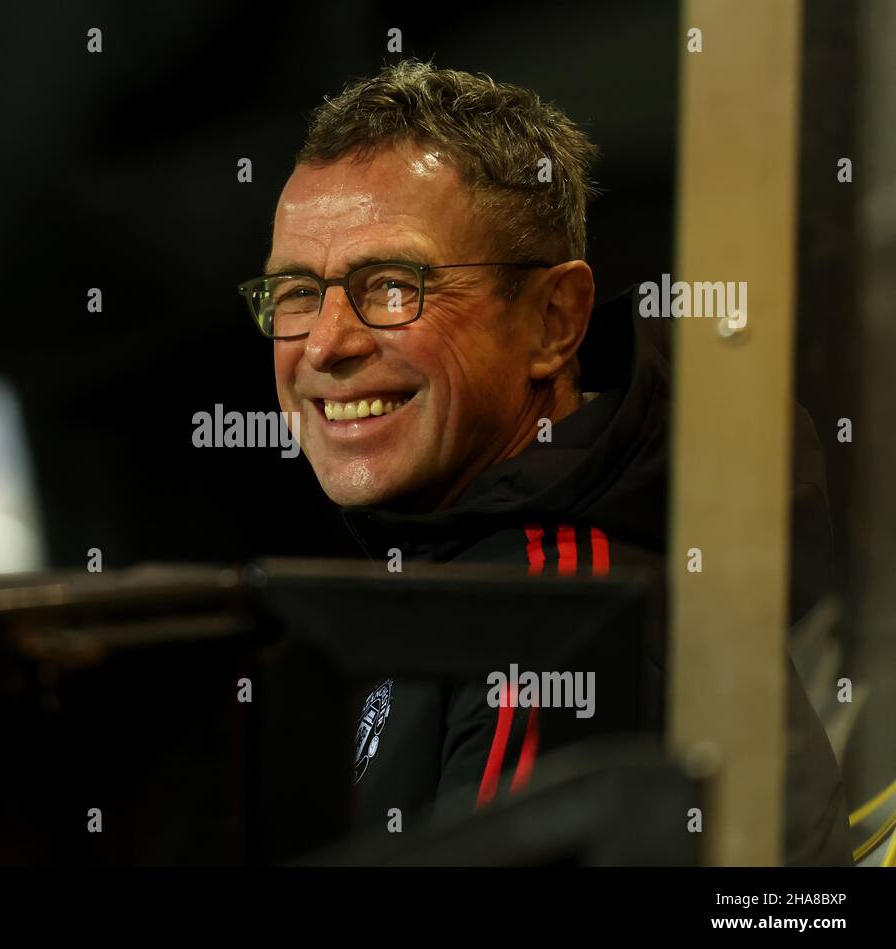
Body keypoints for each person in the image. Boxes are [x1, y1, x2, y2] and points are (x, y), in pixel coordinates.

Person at [238, 59, 851, 865]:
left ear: (555, 321)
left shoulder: (562, 616)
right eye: (295, 293)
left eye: (392, 284)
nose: (325, 343)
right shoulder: (474, 570)